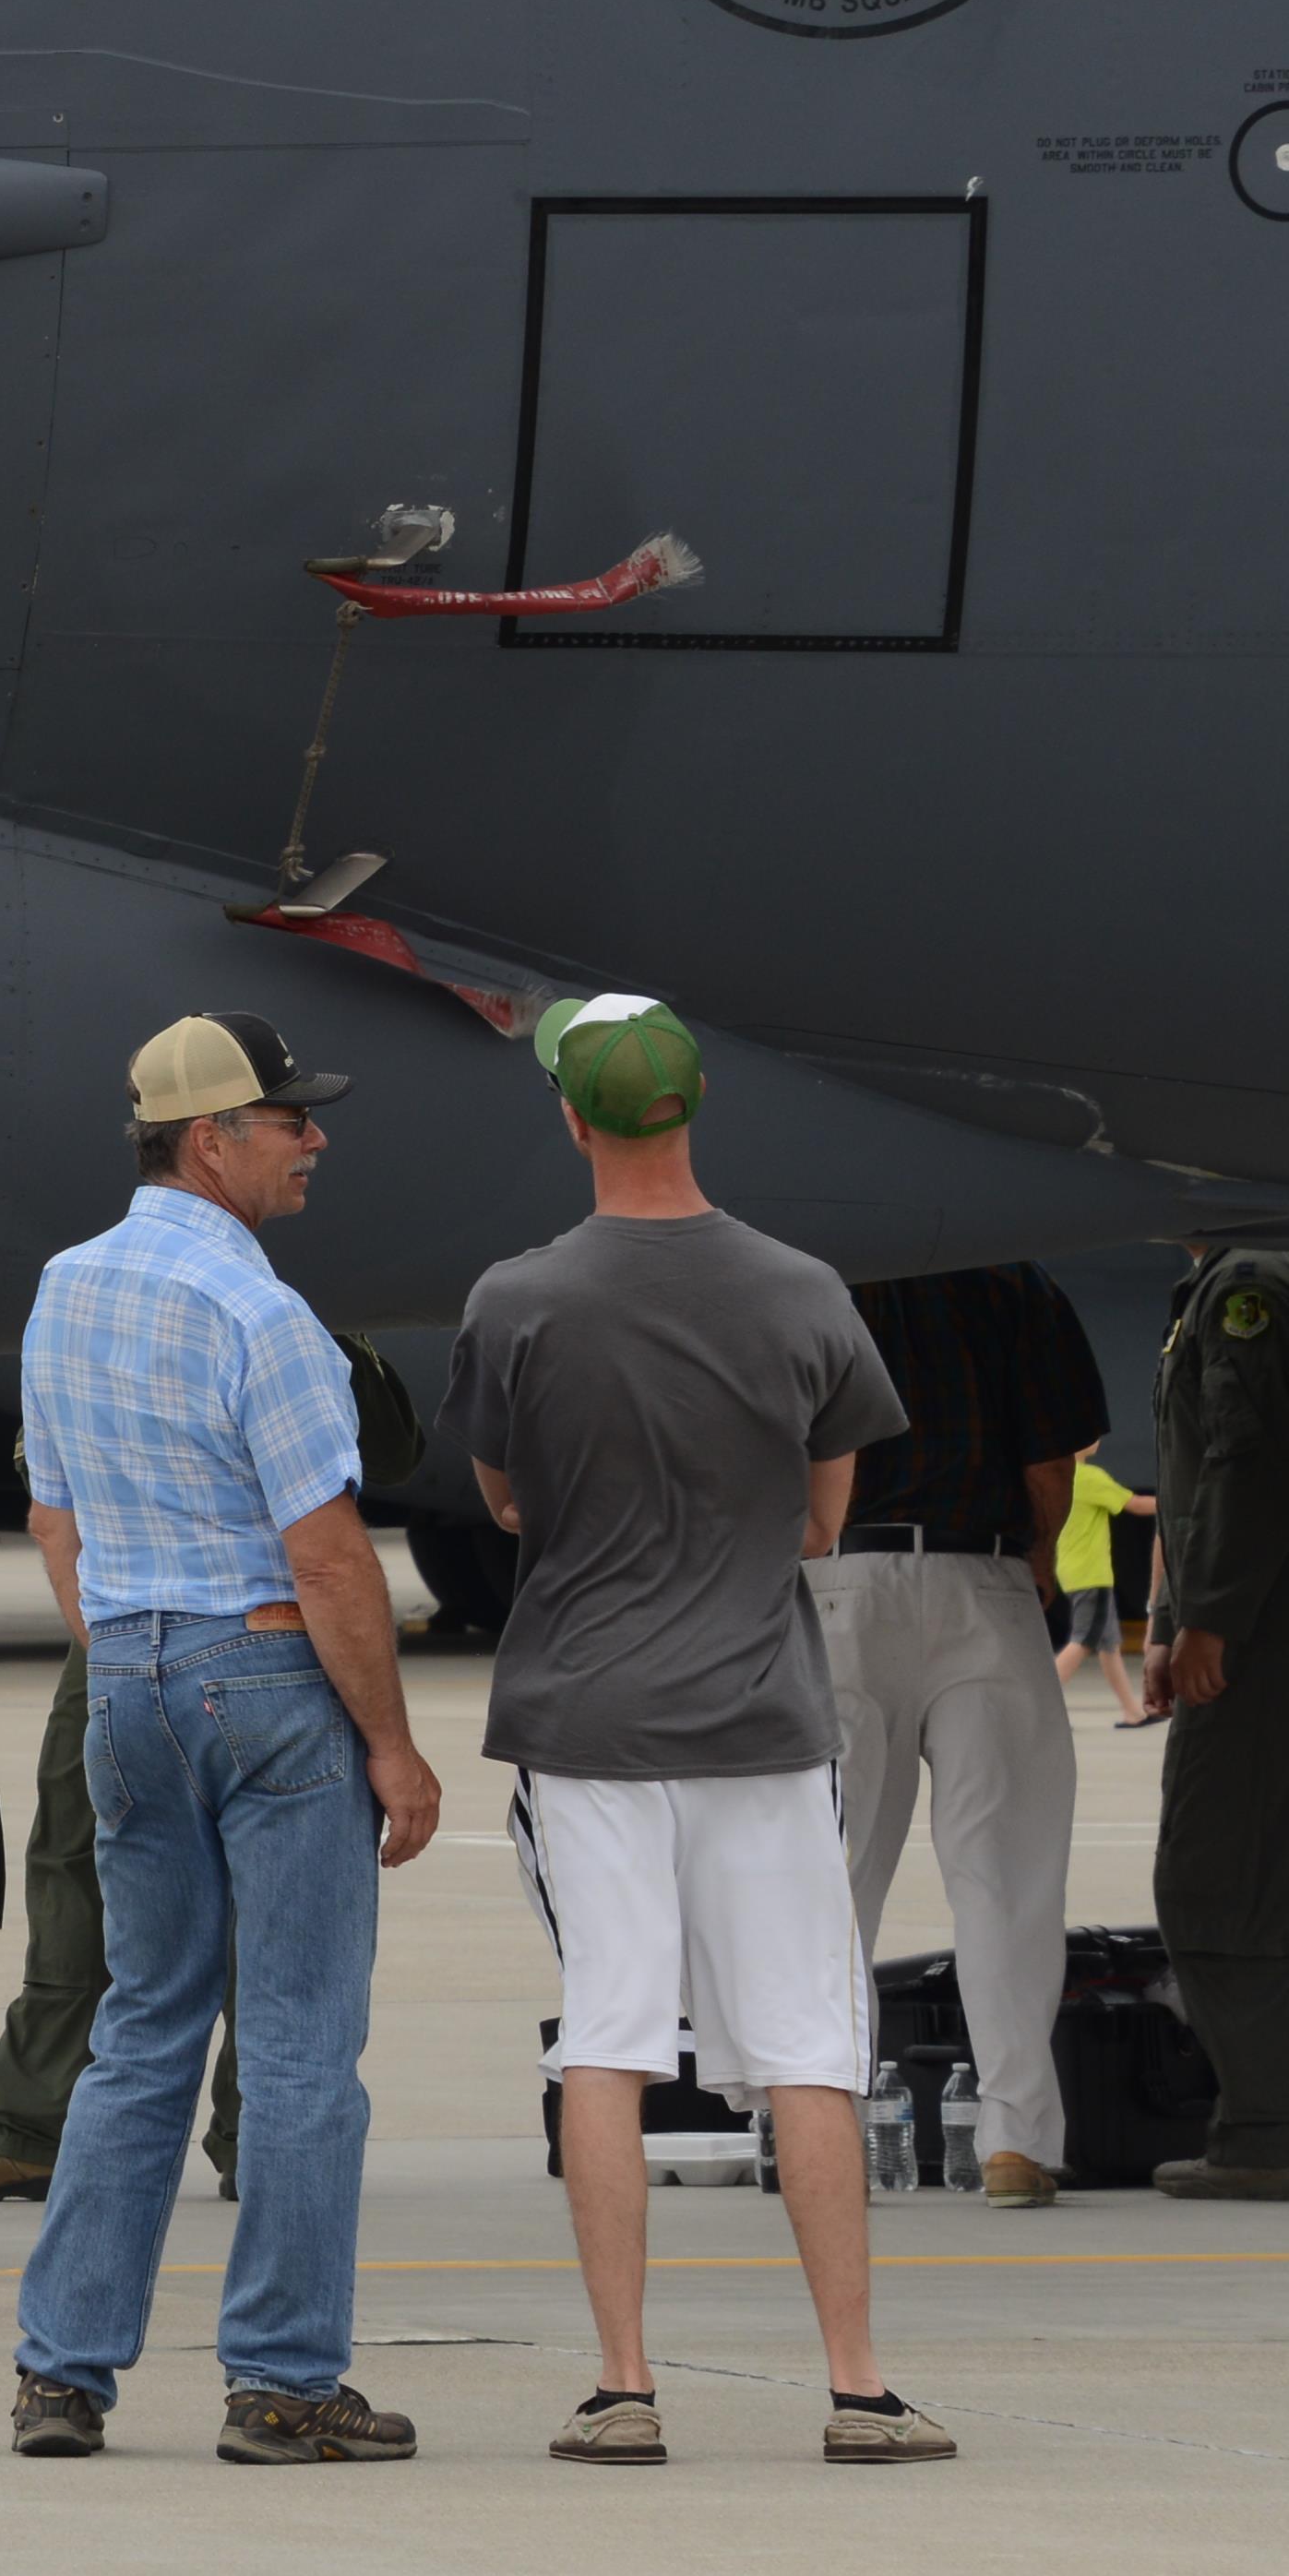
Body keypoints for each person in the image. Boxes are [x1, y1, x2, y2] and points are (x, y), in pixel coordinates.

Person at [445, 998, 939, 2466]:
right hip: (762, 1720)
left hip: (587, 1715)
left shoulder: (517, 1299)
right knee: (807, 2048)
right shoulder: (804, 1292)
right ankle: (856, 2387)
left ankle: (623, 2386)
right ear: (698, 1099)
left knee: (607, 2036)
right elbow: (824, 1518)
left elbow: (505, 1503)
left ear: (570, 1116)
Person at [2, 1012, 440, 2467]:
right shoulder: (264, 1317)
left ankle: (62, 2371)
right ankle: (284, 2381)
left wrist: (125, 1651)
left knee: (141, 2027)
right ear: (214, 1139)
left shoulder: (63, 1292)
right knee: (305, 2045)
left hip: (124, 1672)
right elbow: (329, 1560)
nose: (313, 1139)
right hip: (263, 1675)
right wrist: (393, 1745)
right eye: (289, 1118)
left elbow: (53, 1517)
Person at [819, 1262, 1105, 2211]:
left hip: (838, 1582)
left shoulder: (807, 1277)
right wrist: (1030, 1556)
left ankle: (812, 2122)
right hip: (981, 1581)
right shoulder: (1014, 1279)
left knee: (830, 1876)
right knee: (1006, 1876)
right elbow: (1049, 1462)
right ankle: (1015, 2139)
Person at [1145, 1251, 1289, 2193]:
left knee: (1216, 1873)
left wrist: (1213, 1617)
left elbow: (1249, 1458)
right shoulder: (1247, 1285)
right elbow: (1211, 1478)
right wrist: (1172, 1618)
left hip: (1272, 1617)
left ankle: (1273, 2133)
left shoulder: (1246, 1289)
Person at [1058, 1453, 1161, 1719]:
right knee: (1083, 1640)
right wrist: (1175, 1503)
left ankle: (1132, 1711)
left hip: (1072, 1570)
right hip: (1091, 1574)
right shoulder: (1088, 1478)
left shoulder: (1061, 1477)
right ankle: (1041, 1706)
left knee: (1108, 1645)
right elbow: (1135, 1504)